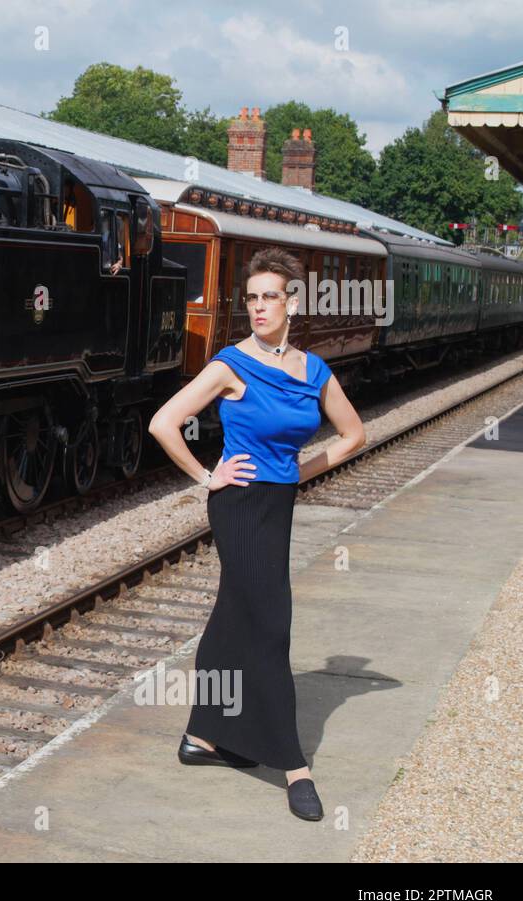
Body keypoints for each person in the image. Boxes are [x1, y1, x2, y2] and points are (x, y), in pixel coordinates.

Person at [146, 246, 367, 821]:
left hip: (279, 502)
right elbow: (163, 422)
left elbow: (352, 435)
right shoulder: (230, 364)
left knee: (233, 615)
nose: (260, 307)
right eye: (252, 298)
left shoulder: (314, 370)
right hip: (238, 504)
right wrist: (206, 477)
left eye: (271, 296)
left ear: (292, 303)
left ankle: (203, 737)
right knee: (271, 624)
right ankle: (294, 766)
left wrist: (300, 470)